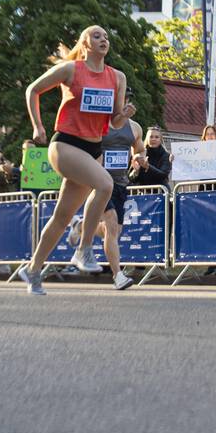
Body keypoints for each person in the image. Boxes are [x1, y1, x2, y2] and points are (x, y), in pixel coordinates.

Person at [15, 25, 128, 296]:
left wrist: (124, 114)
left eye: (107, 37)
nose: (104, 40)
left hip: (92, 148)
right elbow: (33, 89)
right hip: (65, 144)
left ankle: (32, 270)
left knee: (61, 217)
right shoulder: (71, 70)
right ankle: (84, 248)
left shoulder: (117, 77)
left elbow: (114, 122)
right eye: (97, 36)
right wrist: (37, 127)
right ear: (85, 43)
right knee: (104, 184)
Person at [68, 100, 144, 290]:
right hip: (99, 181)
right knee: (111, 224)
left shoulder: (134, 128)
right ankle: (118, 275)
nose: (124, 104)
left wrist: (138, 158)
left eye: (126, 99)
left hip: (120, 183)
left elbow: (140, 149)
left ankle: (81, 226)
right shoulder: (98, 123)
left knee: (114, 231)